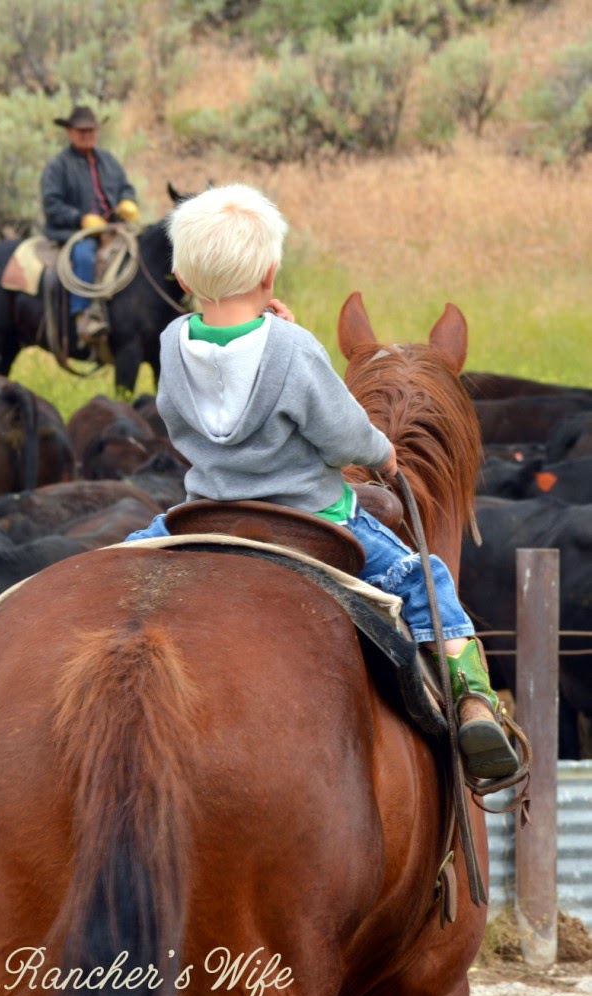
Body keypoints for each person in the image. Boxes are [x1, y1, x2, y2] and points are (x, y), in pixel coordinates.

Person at [125, 183, 519, 781]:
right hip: (311, 517)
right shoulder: (294, 347)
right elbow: (340, 433)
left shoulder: (171, 346)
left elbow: (181, 420)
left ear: (180, 276)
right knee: (426, 581)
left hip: (204, 512)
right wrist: (382, 455)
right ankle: (472, 704)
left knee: (122, 561)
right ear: (271, 271)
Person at [41, 104, 139, 347]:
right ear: (70, 132)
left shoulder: (108, 161)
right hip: (77, 232)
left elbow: (125, 186)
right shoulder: (58, 165)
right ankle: (84, 317)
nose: (87, 135)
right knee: (84, 256)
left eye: (91, 130)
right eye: (81, 130)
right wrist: (80, 218)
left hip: (113, 228)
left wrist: (128, 201)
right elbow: (52, 204)